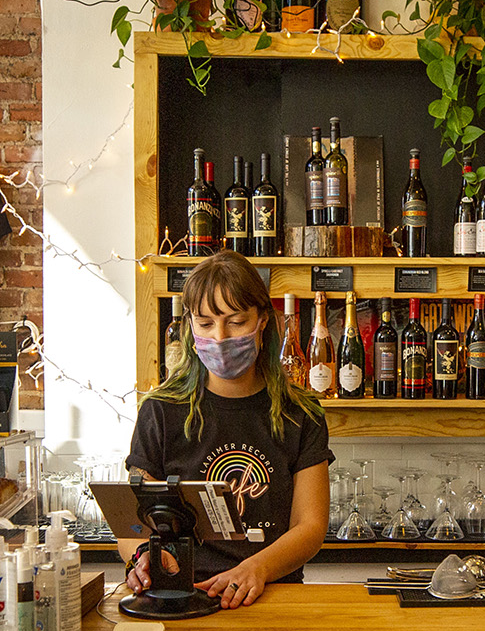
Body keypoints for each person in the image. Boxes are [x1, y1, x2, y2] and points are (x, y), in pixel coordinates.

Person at [122, 251, 331, 608]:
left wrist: (258, 568)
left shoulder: (302, 414)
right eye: (205, 324)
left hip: (273, 596)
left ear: (263, 320)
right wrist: (143, 557)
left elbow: (310, 526)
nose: (219, 337)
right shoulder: (159, 411)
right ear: (189, 325)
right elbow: (131, 520)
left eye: (235, 321)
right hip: (182, 596)